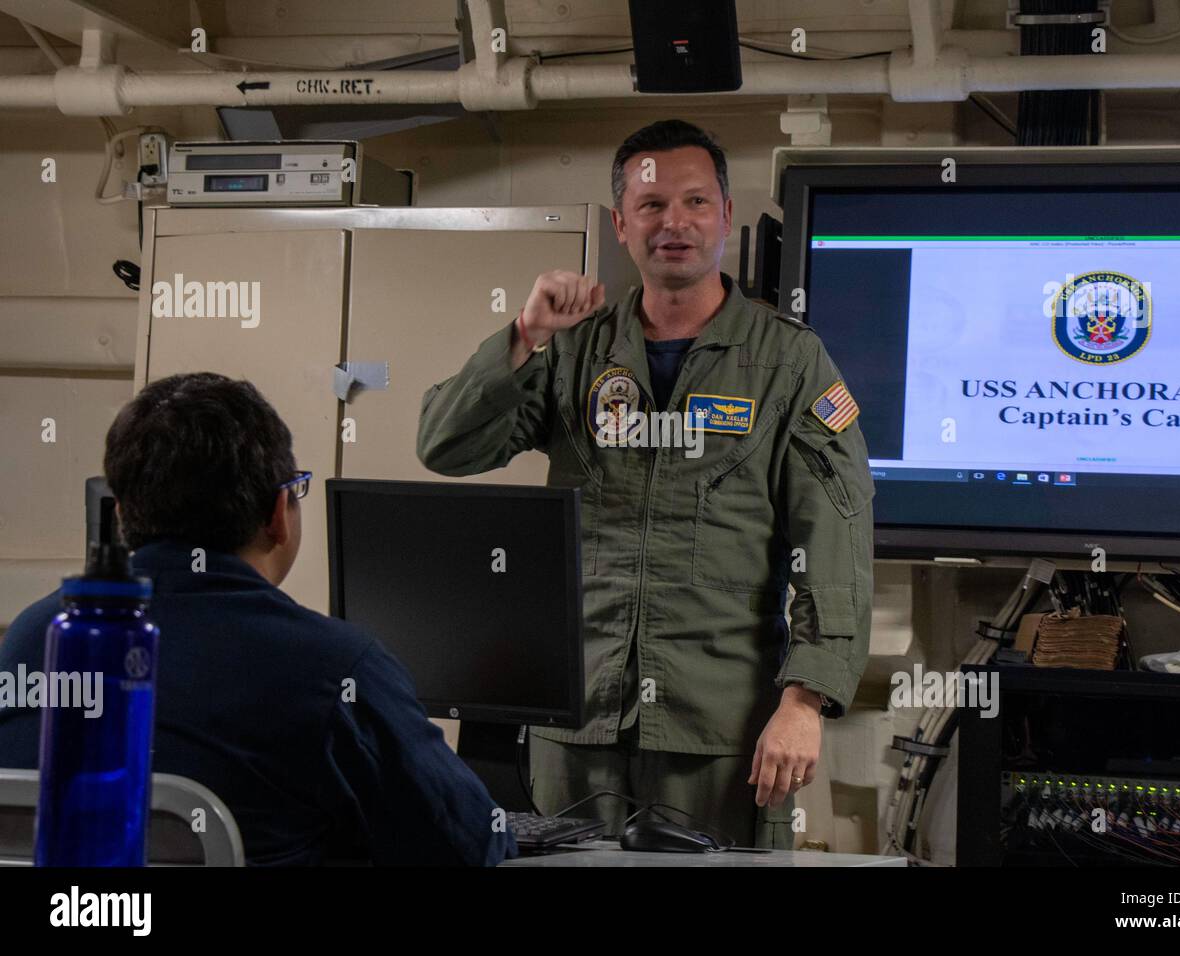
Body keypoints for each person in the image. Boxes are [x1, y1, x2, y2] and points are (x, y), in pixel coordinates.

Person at [416, 119, 875, 849]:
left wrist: (805, 700)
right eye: (653, 205)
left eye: (696, 203)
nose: (676, 224)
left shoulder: (790, 364)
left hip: (722, 733)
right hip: (578, 726)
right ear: (622, 224)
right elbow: (445, 446)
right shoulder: (572, 353)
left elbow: (836, 543)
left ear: (725, 216)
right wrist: (524, 335)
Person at [0, 372, 516, 866]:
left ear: (120, 514)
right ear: (277, 513)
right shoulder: (333, 669)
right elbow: (466, 845)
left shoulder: (32, 636)